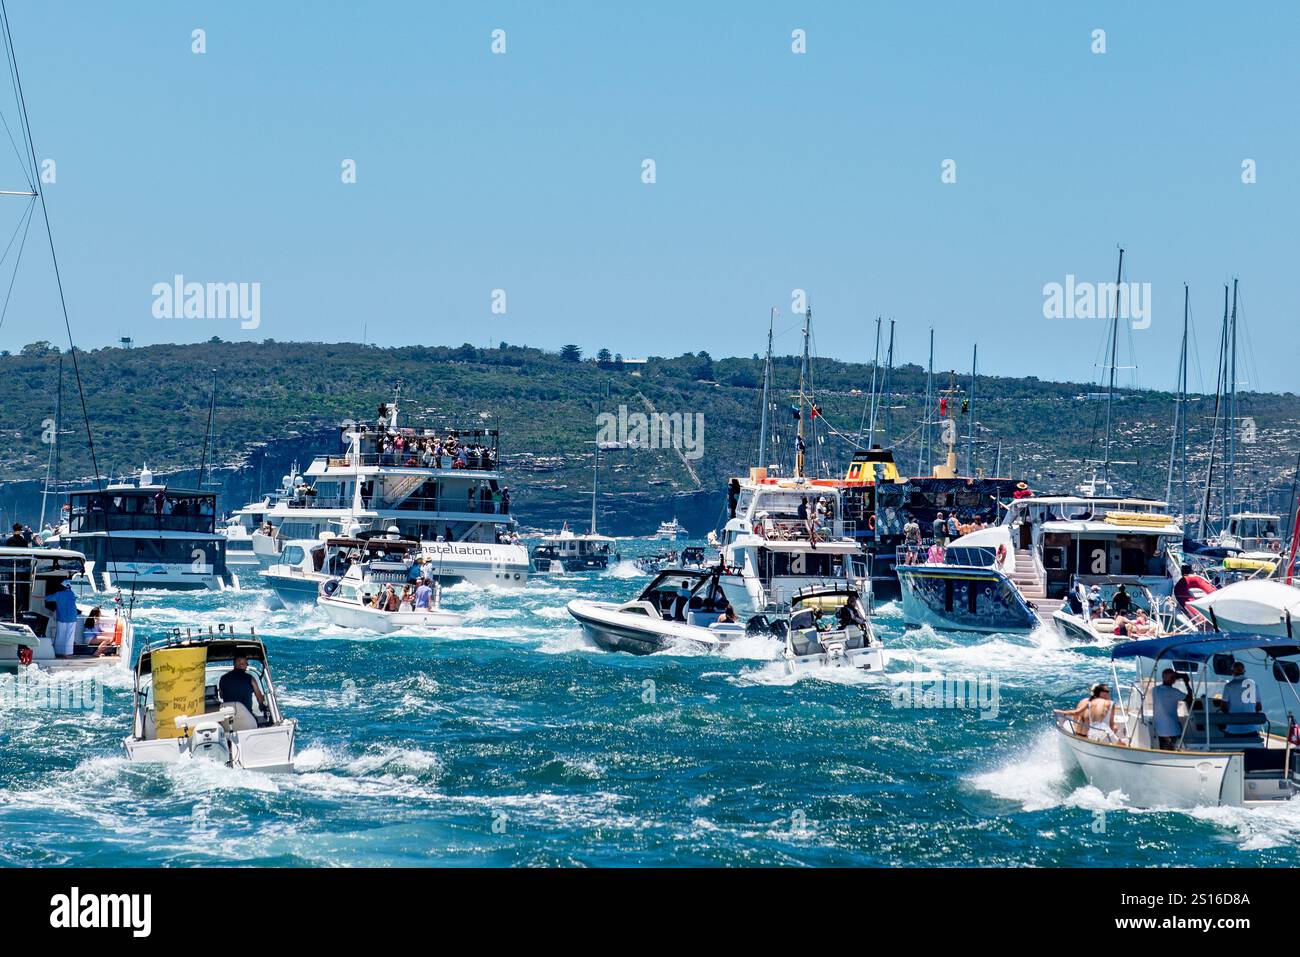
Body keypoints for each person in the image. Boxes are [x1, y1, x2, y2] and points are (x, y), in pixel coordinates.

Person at [1215, 661, 1261, 737]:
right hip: (1251, 730)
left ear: (1232, 672)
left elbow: (1223, 707)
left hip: (1233, 731)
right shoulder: (1254, 685)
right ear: (1244, 672)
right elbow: (1259, 707)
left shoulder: (1228, 686)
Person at [1153, 668, 1194, 749]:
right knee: (1172, 750)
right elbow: (1190, 699)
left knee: (1164, 752)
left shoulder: (1155, 690)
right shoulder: (1174, 692)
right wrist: (1186, 682)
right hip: (1172, 730)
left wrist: (1175, 676)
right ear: (1173, 679)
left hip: (1160, 730)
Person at [43, 579, 80, 657]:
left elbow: (47, 598)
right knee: (69, 636)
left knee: (60, 634)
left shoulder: (58, 594)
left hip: (62, 618)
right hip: (72, 617)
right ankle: (68, 653)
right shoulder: (72, 594)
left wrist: (35, 596)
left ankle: (58, 652)